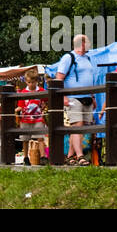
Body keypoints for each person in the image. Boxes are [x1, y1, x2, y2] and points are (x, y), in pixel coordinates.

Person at [54, 33, 96, 165]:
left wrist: (92, 96)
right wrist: (63, 96)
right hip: (73, 97)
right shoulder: (69, 58)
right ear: (81, 43)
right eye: (87, 42)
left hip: (87, 97)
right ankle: (80, 156)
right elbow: (59, 77)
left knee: (82, 128)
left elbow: (89, 79)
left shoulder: (88, 58)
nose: (89, 44)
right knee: (77, 126)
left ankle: (70, 155)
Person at [17, 70, 47, 165]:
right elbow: (20, 106)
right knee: (25, 139)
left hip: (38, 118)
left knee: (40, 137)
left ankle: (43, 156)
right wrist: (16, 111)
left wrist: (44, 106)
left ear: (36, 81)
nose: (31, 84)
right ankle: (26, 157)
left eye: (33, 82)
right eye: (29, 82)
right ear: (26, 82)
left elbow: (46, 101)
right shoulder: (23, 92)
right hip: (25, 118)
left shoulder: (41, 91)